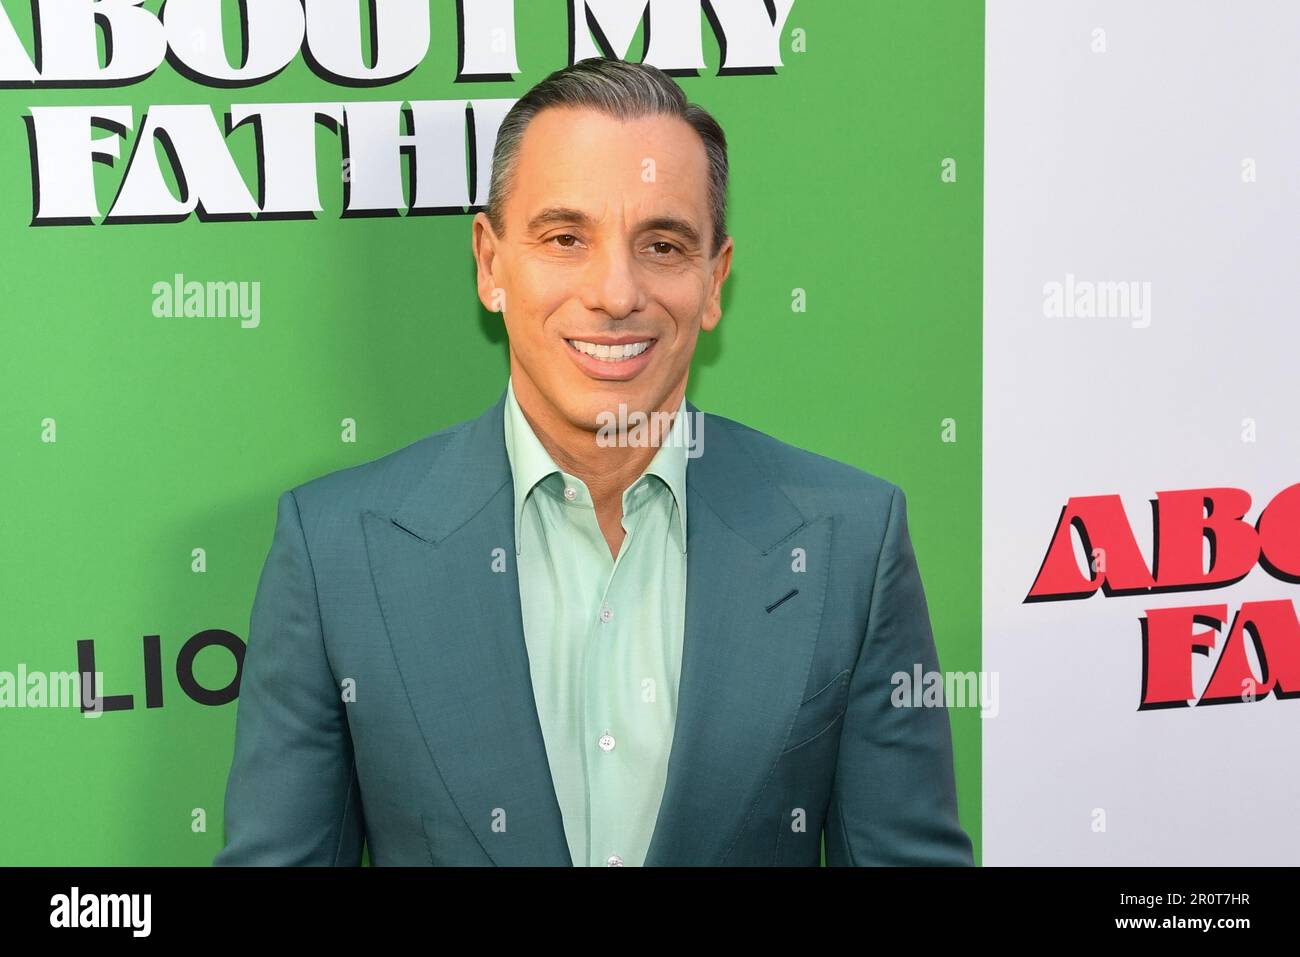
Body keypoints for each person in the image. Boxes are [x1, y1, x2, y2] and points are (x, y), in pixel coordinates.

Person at [214, 56, 973, 867]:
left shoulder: (849, 545)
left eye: (662, 244)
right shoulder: (337, 555)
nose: (616, 291)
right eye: (566, 237)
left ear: (713, 281)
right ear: (490, 263)